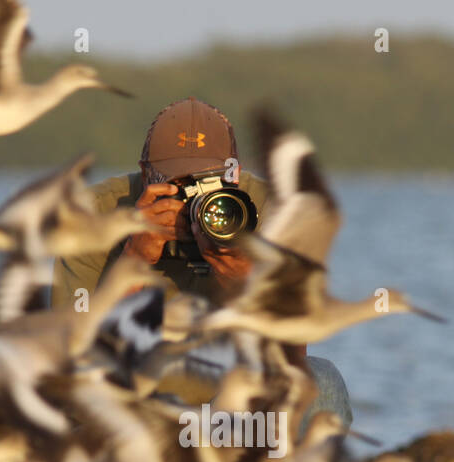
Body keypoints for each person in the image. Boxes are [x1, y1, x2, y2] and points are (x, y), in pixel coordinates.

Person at [50, 97, 352, 430]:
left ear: (235, 176)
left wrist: (245, 282)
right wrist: (134, 259)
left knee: (320, 382)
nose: (193, 202)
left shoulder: (273, 214)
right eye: (177, 185)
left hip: (228, 415)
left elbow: (290, 353)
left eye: (210, 182)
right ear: (145, 175)